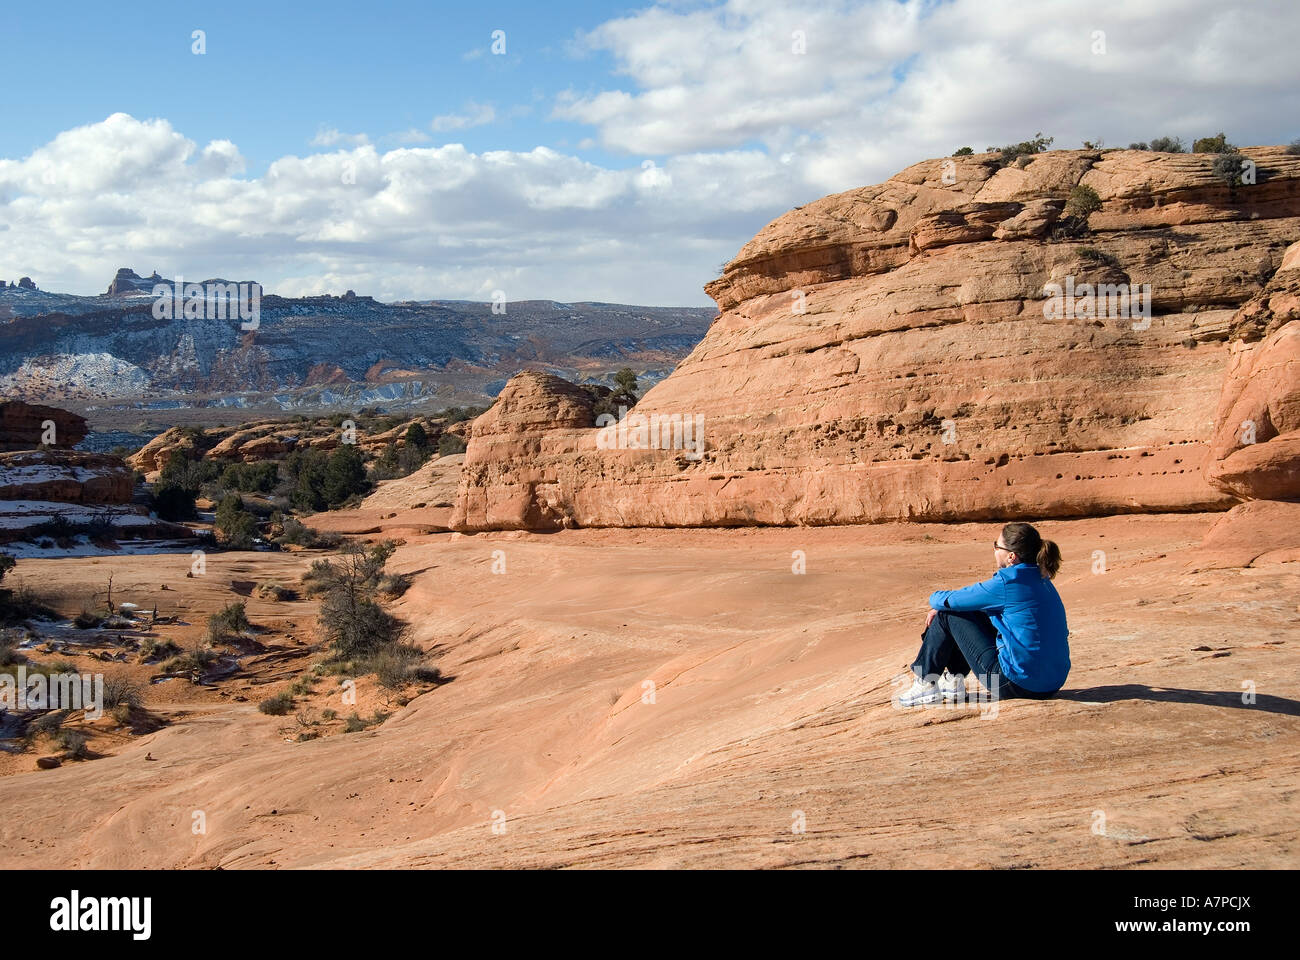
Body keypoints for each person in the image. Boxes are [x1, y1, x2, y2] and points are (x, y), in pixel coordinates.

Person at [898, 521, 1070, 707]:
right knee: (973, 610)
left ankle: (926, 683)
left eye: (997, 546)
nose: (994, 550)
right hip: (1052, 684)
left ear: (1011, 556)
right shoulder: (1042, 578)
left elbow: (949, 600)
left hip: (1015, 685)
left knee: (947, 615)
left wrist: (937, 603)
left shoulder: (1008, 582)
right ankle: (953, 681)